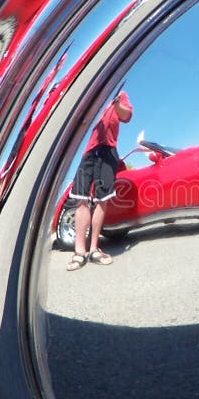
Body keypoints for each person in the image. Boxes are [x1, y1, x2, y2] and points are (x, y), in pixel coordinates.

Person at [67, 90, 133, 270]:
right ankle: (80, 252)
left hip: (108, 150)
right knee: (81, 198)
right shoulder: (94, 95)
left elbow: (126, 115)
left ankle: (94, 248)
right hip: (89, 151)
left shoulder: (120, 94)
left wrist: (116, 102)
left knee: (101, 201)